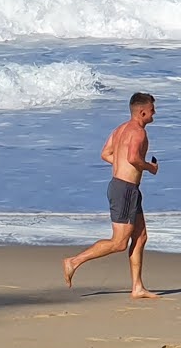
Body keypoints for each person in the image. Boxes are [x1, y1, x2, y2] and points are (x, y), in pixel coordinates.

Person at [63, 92, 161, 298]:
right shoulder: (138, 132)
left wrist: (123, 166)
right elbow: (134, 157)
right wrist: (149, 168)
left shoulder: (120, 130)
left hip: (127, 189)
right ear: (142, 112)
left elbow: (106, 154)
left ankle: (137, 287)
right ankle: (74, 261)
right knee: (119, 243)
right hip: (124, 190)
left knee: (141, 237)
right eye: (152, 110)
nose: (155, 113)